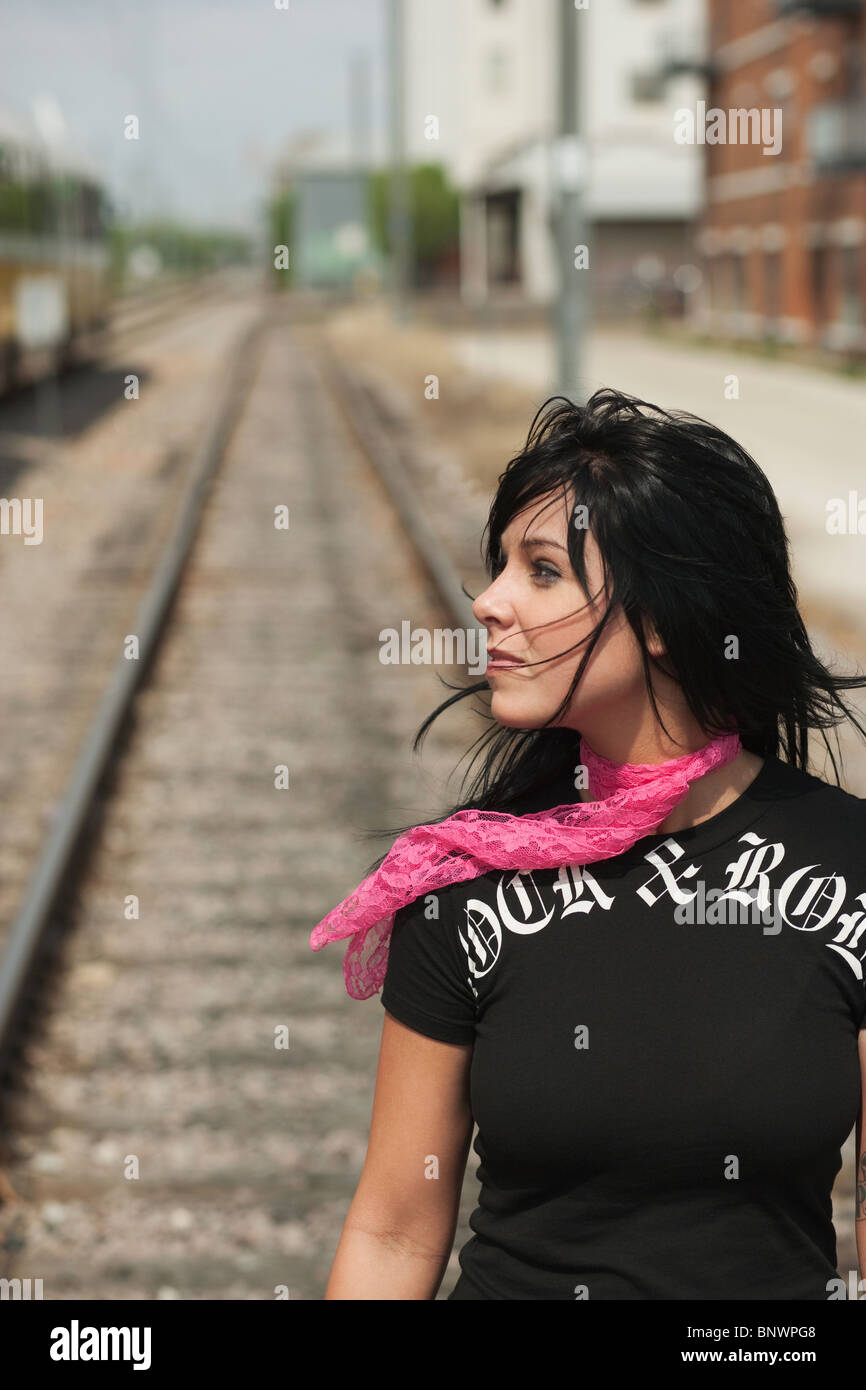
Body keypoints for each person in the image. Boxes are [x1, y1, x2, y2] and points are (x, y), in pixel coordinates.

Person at [315, 386, 866, 1300]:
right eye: (500, 566)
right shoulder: (460, 886)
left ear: (659, 617)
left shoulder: (850, 869)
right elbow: (391, 1232)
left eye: (540, 571)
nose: (489, 602)